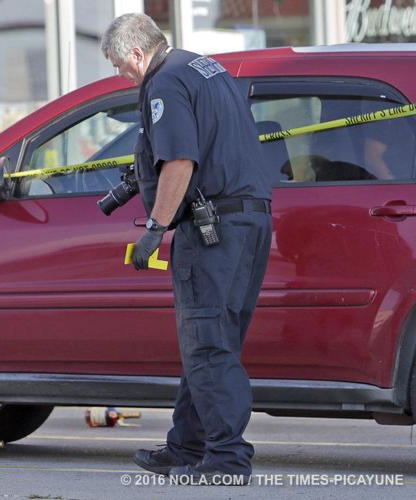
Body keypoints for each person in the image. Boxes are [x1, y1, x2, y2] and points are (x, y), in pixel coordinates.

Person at [100, 13, 273, 485]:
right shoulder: (202, 67)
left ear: (137, 53)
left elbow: (179, 161)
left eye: (118, 64)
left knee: (207, 344)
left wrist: (154, 228)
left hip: (214, 227)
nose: (121, 74)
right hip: (249, 220)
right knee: (211, 340)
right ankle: (187, 447)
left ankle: (227, 459)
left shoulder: (164, 82)